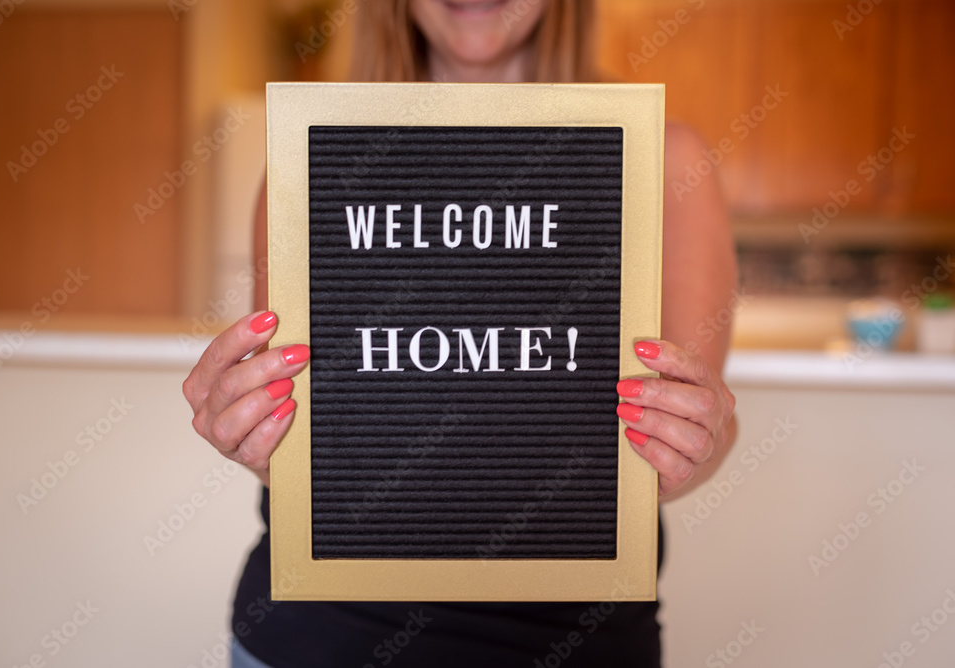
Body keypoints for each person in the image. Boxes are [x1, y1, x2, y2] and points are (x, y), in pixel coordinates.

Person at [182, 1, 738, 666]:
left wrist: (695, 438)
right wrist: (260, 437)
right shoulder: (314, 156)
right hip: (325, 638)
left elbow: (708, 419)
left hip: (576, 639)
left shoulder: (664, 160)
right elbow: (302, 423)